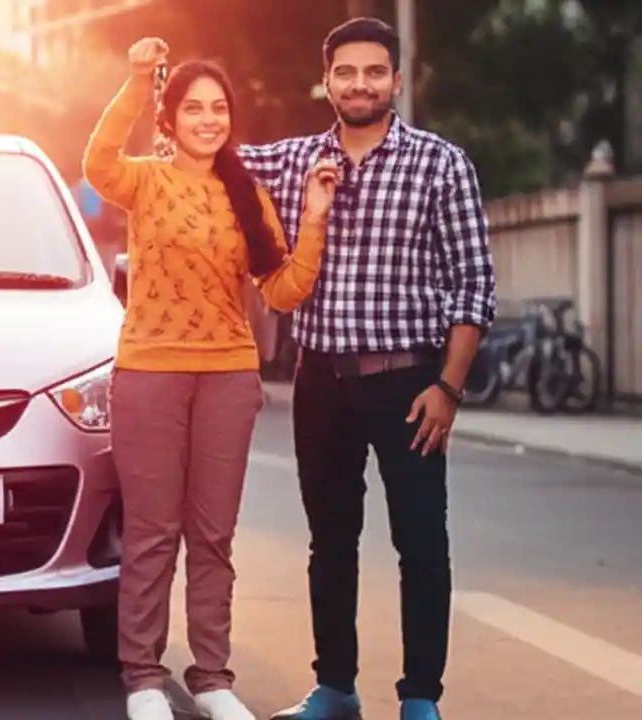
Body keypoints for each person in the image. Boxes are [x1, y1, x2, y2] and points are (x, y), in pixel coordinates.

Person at [236, 18, 497, 720]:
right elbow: (204, 153)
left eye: (374, 71)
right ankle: (335, 689)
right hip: (321, 380)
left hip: (411, 383)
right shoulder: (293, 160)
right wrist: (157, 84)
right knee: (330, 541)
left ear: (397, 80)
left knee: (422, 542)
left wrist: (448, 387)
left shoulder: (441, 165)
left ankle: (421, 699)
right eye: (346, 72)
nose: (360, 84)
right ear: (327, 82)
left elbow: (474, 284)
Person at [83, 37, 339, 720]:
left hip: (227, 376)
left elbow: (282, 290)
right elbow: (97, 162)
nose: (207, 119)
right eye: (192, 108)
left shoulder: (247, 194)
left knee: (212, 537)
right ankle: (143, 677)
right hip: (149, 374)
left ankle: (212, 679)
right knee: (151, 533)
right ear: (169, 119)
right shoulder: (144, 180)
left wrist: (314, 218)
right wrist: (139, 79)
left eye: (218, 108)